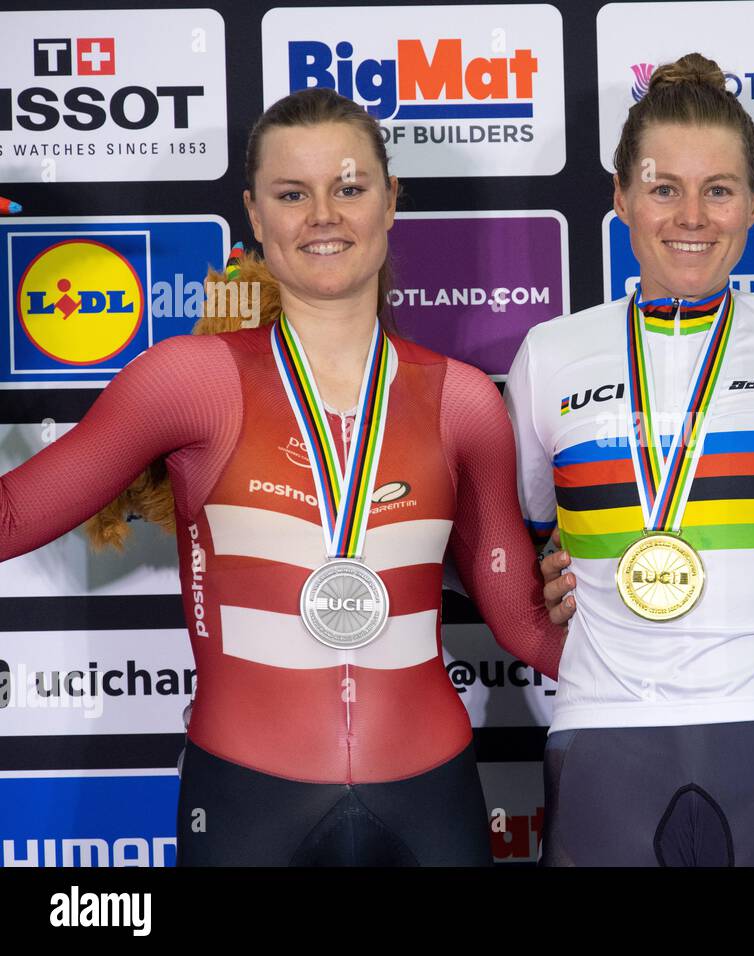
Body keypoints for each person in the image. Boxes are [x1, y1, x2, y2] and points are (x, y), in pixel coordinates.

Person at [0, 87, 565, 866]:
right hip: (247, 800)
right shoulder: (189, 381)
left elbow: (523, 623)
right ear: (255, 214)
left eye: (350, 188)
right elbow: (12, 518)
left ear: (391, 199)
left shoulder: (462, 400)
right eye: (292, 194)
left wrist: (674, 643)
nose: (323, 215)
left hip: (431, 798)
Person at [509, 54, 754, 866]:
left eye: (718, 189)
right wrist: (548, 574)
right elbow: (527, 537)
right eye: (662, 186)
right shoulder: (551, 353)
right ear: (620, 196)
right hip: (605, 733)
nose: (692, 216)